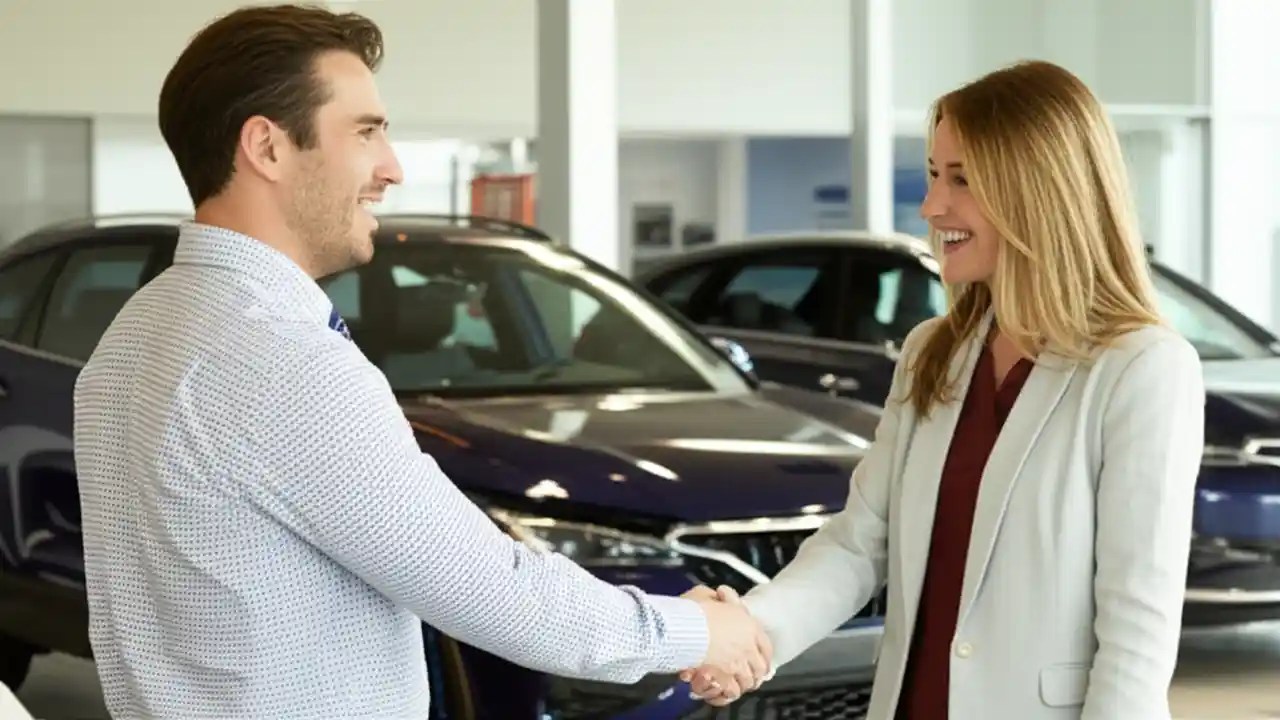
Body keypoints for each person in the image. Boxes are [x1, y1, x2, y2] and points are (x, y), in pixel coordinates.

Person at [71, 4, 769, 718]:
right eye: (367, 132)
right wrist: (694, 632)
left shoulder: (132, 338)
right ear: (267, 147)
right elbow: (497, 594)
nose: (392, 168)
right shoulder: (282, 361)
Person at [682, 60, 1205, 719]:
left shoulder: (1140, 367)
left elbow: (1136, 631)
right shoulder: (935, 351)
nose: (933, 207)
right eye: (933, 174)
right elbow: (856, 546)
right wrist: (750, 630)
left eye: (961, 179)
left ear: (1038, 190)